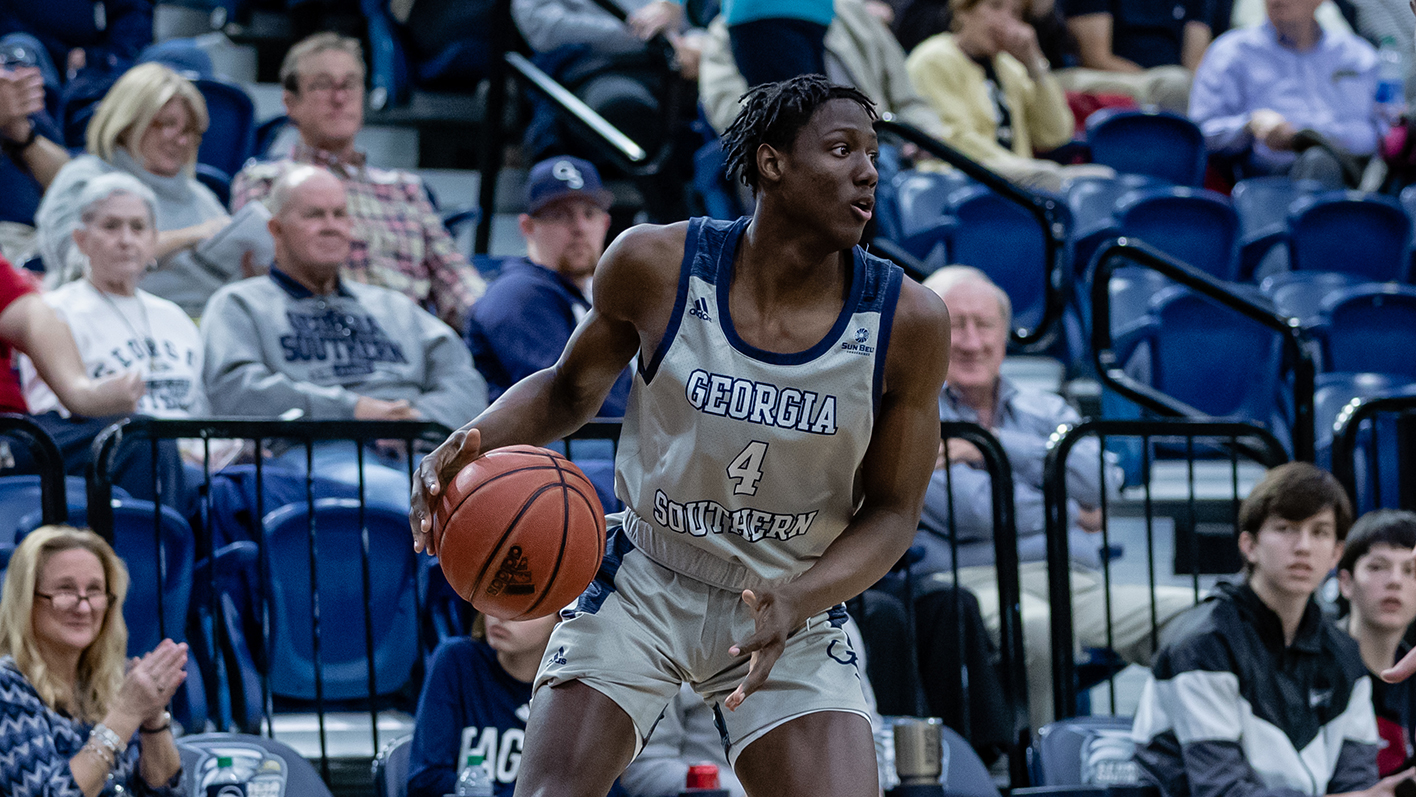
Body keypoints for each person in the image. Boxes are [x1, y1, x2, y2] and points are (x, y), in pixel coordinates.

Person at [410, 74, 950, 796]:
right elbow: (568, 389)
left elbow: (892, 513)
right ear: (772, 162)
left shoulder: (908, 321)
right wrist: (468, 441)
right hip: (648, 574)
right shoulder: (657, 265)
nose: (868, 170)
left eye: (874, 153)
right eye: (843, 148)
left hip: (790, 589)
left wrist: (799, 598)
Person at [917, 266, 1195, 730]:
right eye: (954, 324)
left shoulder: (1044, 407)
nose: (970, 341)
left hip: (1076, 582)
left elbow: (1104, 482)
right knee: (1038, 628)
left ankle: (1180, 753)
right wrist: (1071, 509)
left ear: (1005, 334)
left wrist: (996, 448)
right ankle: (1045, 763)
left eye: (983, 325)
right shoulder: (915, 410)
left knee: (1195, 614)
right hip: (973, 582)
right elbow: (976, 514)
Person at [202, 165, 486, 504]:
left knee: (501, 498)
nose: (331, 226)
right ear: (276, 229)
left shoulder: (394, 306)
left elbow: (465, 382)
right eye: (314, 215)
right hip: (314, 455)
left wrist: (416, 419)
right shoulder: (239, 303)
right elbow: (235, 389)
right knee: (400, 497)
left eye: (339, 214)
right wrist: (352, 411)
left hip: (421, 450)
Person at [1132, 462, 1408, 797]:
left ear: (1336, 553)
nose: (1303, 546)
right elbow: (1220, 791)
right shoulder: (1202, 644)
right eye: (1287, 529)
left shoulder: (1345, 653)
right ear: (1249, 545)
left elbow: (1356, 783)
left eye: (1320, 532)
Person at [230, 33, 487, 330]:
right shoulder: (265, 183)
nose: (340, 97)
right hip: (317, 337)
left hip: (410, 343)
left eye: (350, 84)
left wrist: (493, 321)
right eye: (323, 85)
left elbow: (455, 279)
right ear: (290, 103)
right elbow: (265, 283)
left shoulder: (405, 188)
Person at [21, 172, 197, 506]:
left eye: (138, 227)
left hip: (194, 462)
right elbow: (52, 419)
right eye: (111, 226)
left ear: (154, 238)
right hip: (113, 467)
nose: (126, 239)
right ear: (80, 238)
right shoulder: (53, 312)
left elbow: (197, 408)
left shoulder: (175, 317)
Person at [35, 62, 244, 316]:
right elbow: (77, 266)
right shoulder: (85, 178)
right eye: (166, 124)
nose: (181, 140)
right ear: (127, 121)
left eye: (190, 130)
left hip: (201, 326)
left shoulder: (201, 197)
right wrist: (189, 237)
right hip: (102, 319)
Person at [0, 525, 187, 797]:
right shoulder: (7, 687)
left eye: (95, 591)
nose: (84, 607)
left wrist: (152, 717)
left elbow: (168, 793)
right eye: (65, 591)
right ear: (27, 599)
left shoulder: (111, 681)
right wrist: (125, 714)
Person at [463, 156, 630, 415]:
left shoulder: (587, 293)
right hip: (552, 450)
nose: (580, 228)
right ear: (527, 227)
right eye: (560, 216)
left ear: (605, 223)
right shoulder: (518, 293)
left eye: (589, 213)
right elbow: (567, 398)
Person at [906, 0, 1112, 192]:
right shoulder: (933, 59)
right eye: (995, 6)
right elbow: (956, 139)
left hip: (1016, 178)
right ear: (963, 11)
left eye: (1015, 13)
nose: (1006, 21)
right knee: (1050, 178)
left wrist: (1035, 66)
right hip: (961, 175)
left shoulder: (1009, 67)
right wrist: (1023, 167)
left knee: (1102, 179)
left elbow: (1055, 136)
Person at [1189, 0, 1381, 188]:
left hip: (1363, 170)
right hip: (1276, 177)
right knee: (1318, 161)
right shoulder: (1232, 53)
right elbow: (1200, 133)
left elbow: (1387, 124)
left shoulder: (1359, 56)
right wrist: (1248, 126)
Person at [697, 0, 948, 141]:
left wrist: (926, 139)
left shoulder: (855, 16)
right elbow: (731, 117)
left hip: (886, 150)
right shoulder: (726, 35)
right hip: (763, 15)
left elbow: (910, 100)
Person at [408, 613, 563, 797]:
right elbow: (424, 779)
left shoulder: (575, 687)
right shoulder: (456, 660)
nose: (500, 614)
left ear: (562, 617)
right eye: (495, 596)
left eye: (524, 606)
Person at [1339, 510, 1416, 776]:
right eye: (1377, 566)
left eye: (1411, 570)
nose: (1395, 581)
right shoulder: (1315, 665)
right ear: (1345, 582)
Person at [1053, 0, 1212, 114]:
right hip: (1106, 76)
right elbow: (1096, 58)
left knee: (1183, 85)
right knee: (1174, 84)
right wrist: (1153, 83)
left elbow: (1196, 63)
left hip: (1173, 82)